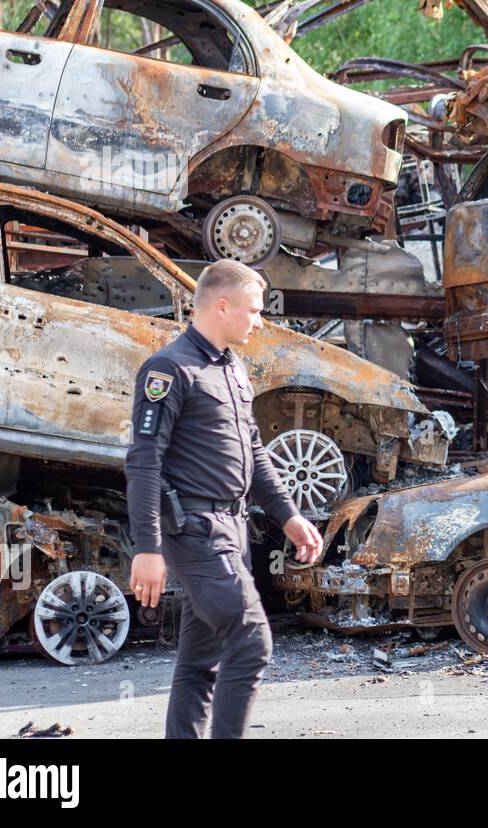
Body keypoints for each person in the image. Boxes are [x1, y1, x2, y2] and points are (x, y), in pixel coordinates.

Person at [125, 259, 324, 739]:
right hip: (194, 532)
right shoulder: (168, 370)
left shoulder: (231, 368)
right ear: (221, 306)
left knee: (200, 662)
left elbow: (253, 452)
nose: (260, 320)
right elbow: (143, 463)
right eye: (254, 310)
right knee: (252, 641)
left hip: (232, 530)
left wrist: (289, 516)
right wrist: (148, 548)